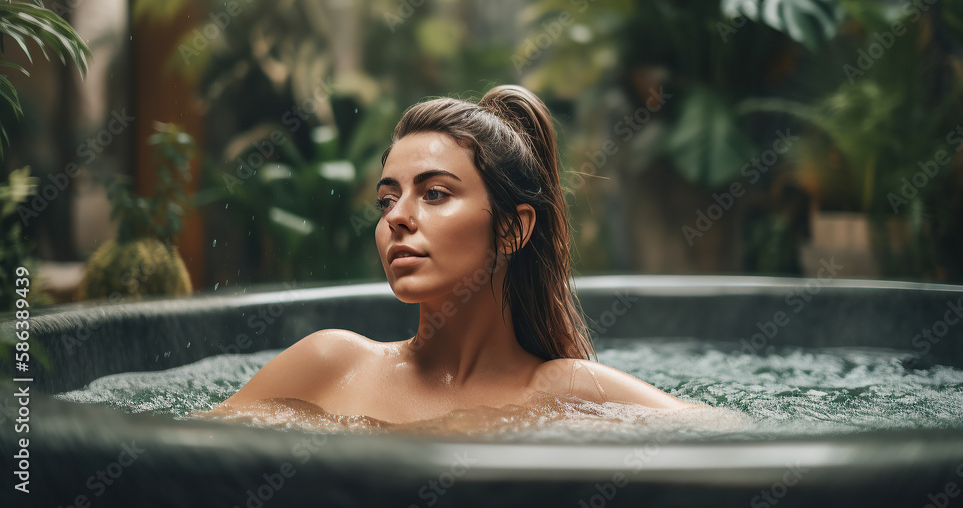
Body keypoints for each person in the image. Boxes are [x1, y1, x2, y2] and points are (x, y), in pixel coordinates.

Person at [208, 84, 702, 426]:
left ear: (512, 228)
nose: (396, 217)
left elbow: (736, 446)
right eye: (387, 199)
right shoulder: (330, 363)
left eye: (435, 194)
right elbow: (172, 463)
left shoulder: (573, 394)